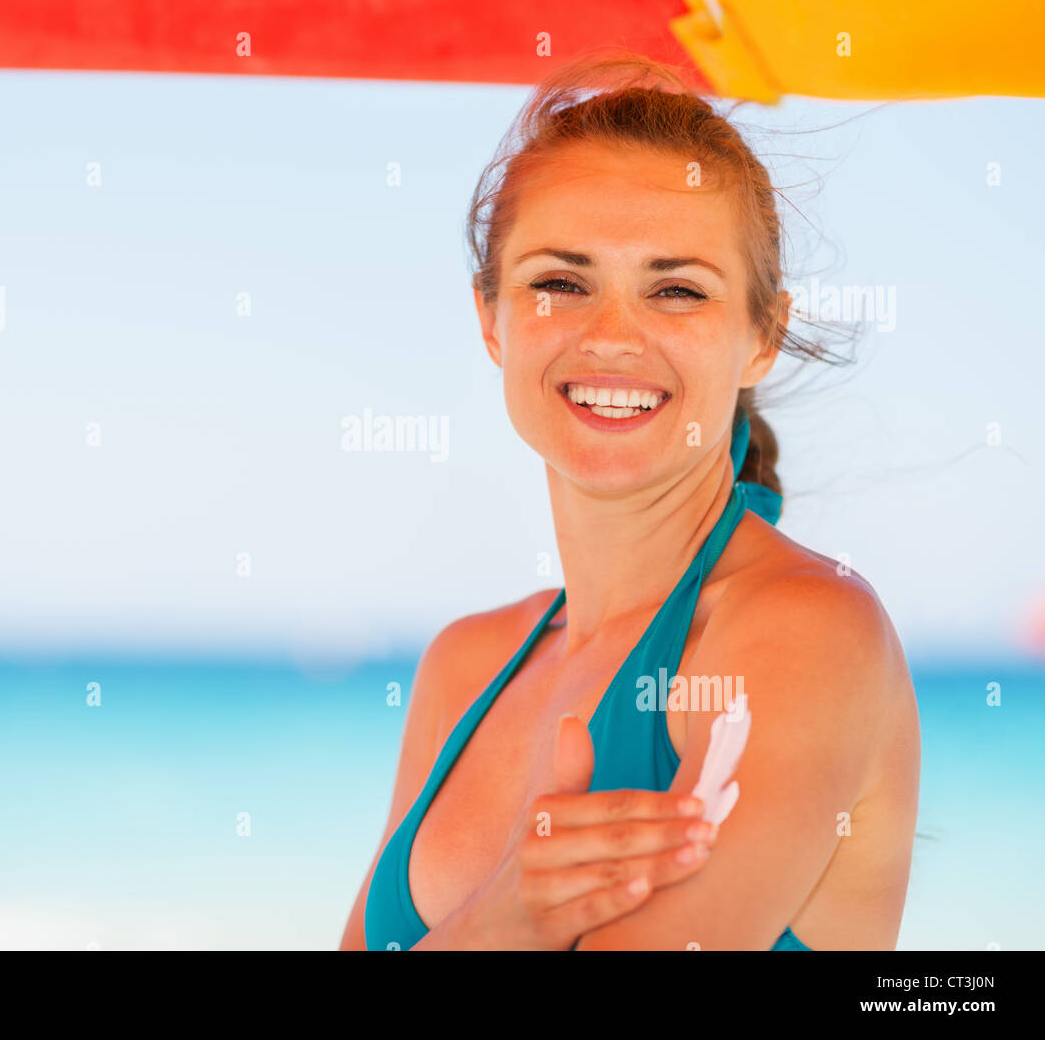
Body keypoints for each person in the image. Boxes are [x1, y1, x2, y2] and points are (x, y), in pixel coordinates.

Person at [339, 52, 919, 951]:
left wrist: (500, 928)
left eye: (677, 290)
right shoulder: (463, 667)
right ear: (491, 320)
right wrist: (499, 921)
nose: (611, 337)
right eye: (560, 283)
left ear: (762, 337)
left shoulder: (807, 633)